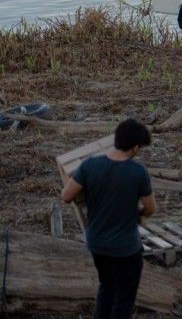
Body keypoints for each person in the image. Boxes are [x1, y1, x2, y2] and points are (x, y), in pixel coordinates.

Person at [60, 119, 156, 319]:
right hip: (126, 248)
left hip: (97, 244)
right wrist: (138, 213)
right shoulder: (138, 172)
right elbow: (150, 208)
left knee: (106, 287)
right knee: (124, 299)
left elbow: (66, 196)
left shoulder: (89, 165)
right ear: (135, 146)